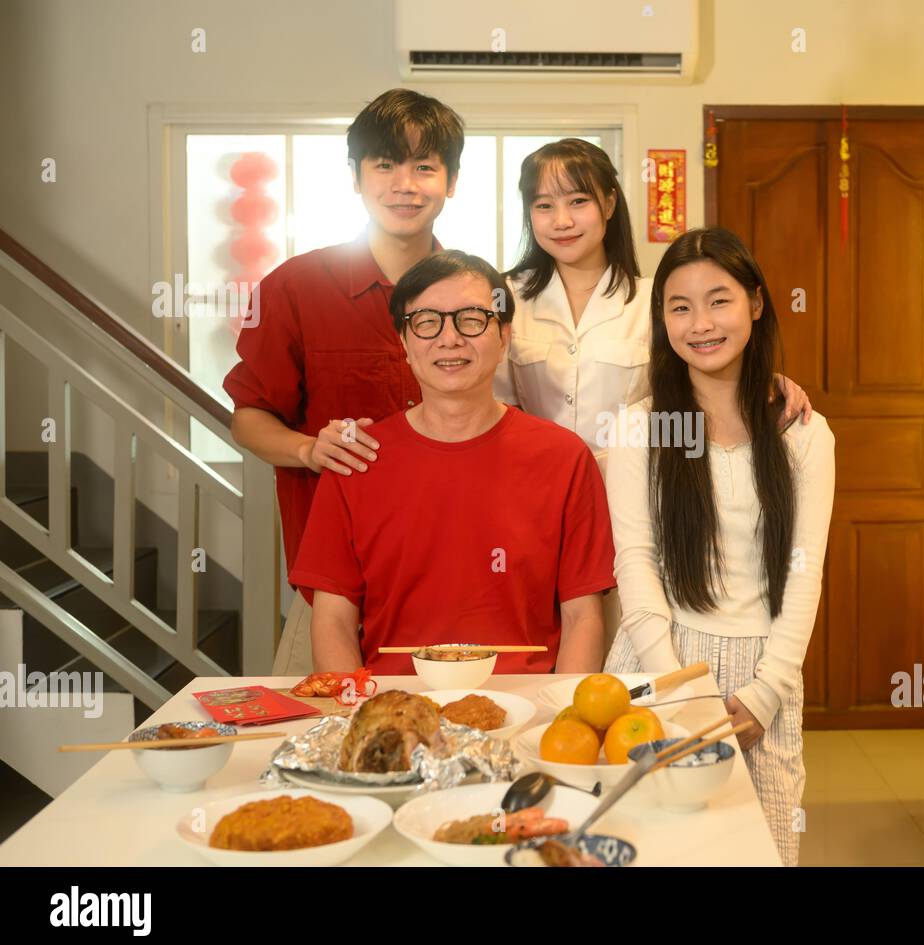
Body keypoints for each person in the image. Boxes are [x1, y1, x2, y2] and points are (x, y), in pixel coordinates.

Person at [496, 138, 814, 656]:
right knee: (542, 651)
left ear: (609, 204)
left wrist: (769, 382)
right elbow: (494, 405)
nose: (562, 219)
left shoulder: (653, 299)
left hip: (635, 505)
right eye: (543, 205)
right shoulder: (508, 297)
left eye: (577, 200)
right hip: (535, 505)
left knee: (628, 641)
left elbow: (705, 364)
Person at [603, 227, 836, 866]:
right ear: (662, 320)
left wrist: (765, 692)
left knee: (758, 851)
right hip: (658, 661)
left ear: (756, 304)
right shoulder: (638, 429)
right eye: (679, 307)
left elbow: (804, 568)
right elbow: (635, 560)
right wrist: (680, 689)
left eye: (719, 301)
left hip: (765, 672)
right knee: (644, 850)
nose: (700, 324)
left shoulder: (805, 434)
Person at [223, 89, 463, 675]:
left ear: (451, 182)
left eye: (424, 166)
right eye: (385, 164)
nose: (404, 184)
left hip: (456, 578)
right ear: (356, 177)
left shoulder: (476, 293)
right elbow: (248, 417)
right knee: (314, 751)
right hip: (333, 592)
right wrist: (306, 449)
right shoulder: (295, 288)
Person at [289, 251, 614, 675]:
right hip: (393, 709)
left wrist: (563, 718)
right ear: (404, 343)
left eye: (472, 320)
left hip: (527, 708)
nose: (450, 339)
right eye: (427, 322)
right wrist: (362, 723)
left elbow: (583, 618)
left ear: (504, 338)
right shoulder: (357, 460)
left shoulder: (564, 458)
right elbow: (332, 621)